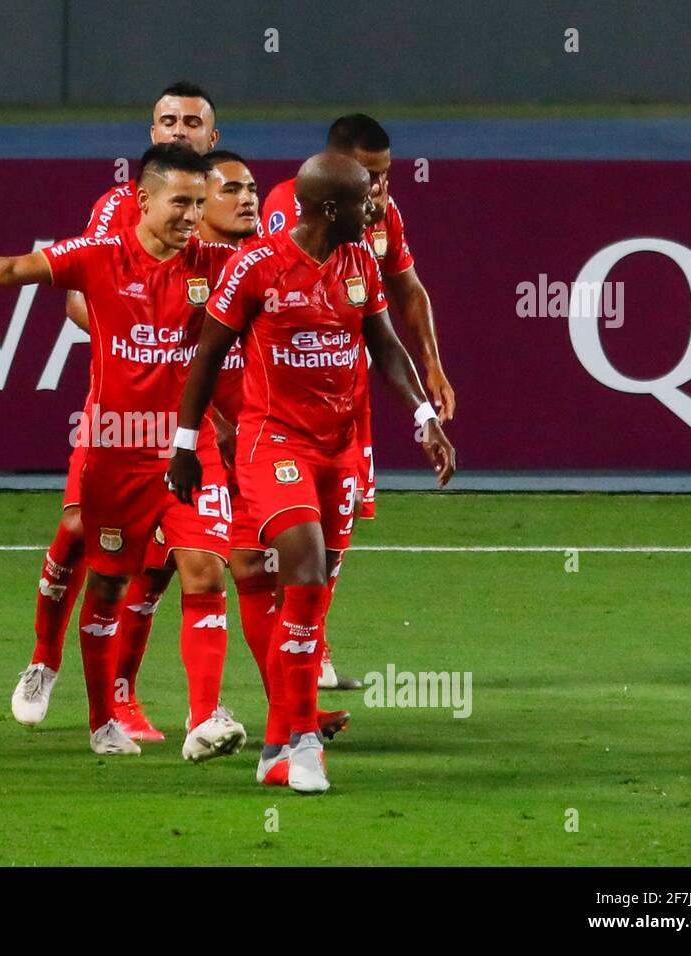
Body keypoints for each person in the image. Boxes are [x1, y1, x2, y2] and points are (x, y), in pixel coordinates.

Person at [168, 153, 456, 793]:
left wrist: (422, 418)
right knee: (301, 566)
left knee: (310, 596)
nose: (374, 209)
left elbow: (384, 343)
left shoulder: (359, 264)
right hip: (273, 443)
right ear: (330, 208)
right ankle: (301, 744)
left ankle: (275, 744)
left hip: (340, 450)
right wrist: (186, 445)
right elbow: (208, 352)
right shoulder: (258, 266)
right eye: (363, 200)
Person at [0, 144, 245, 760]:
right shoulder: (99, 256)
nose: (191, 216)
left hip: (186, 442)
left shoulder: (217, 262)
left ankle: (205, 717)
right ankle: (95, 715)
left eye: (200, 204)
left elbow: (273, 268)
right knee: (108, 588)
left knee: (205, 568)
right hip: (115, 443)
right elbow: (13, 270)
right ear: (143, 201)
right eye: (180, 203)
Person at [12, 82, 221, 741]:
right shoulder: (116, 211)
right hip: (117, 418)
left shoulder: (222, 214)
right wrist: (131, 326)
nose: (179, 129)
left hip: (185, 425)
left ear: (213, 139)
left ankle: (122, 703)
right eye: (167, 119)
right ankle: (45, 659)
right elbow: (85, 289)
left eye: (192, 122)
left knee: (164, 564)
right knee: (78, 531)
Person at [260, 112, 455, 690]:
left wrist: (432, 367)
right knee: (281, 542)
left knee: (336, 535)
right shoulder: (284, 210)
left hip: (345, 403)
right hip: (278, 407)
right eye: (370, 177)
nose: (382, 190)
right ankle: (284, 663)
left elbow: (406, 293)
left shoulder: (383, 216)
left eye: (388, 175)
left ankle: (309, 646)